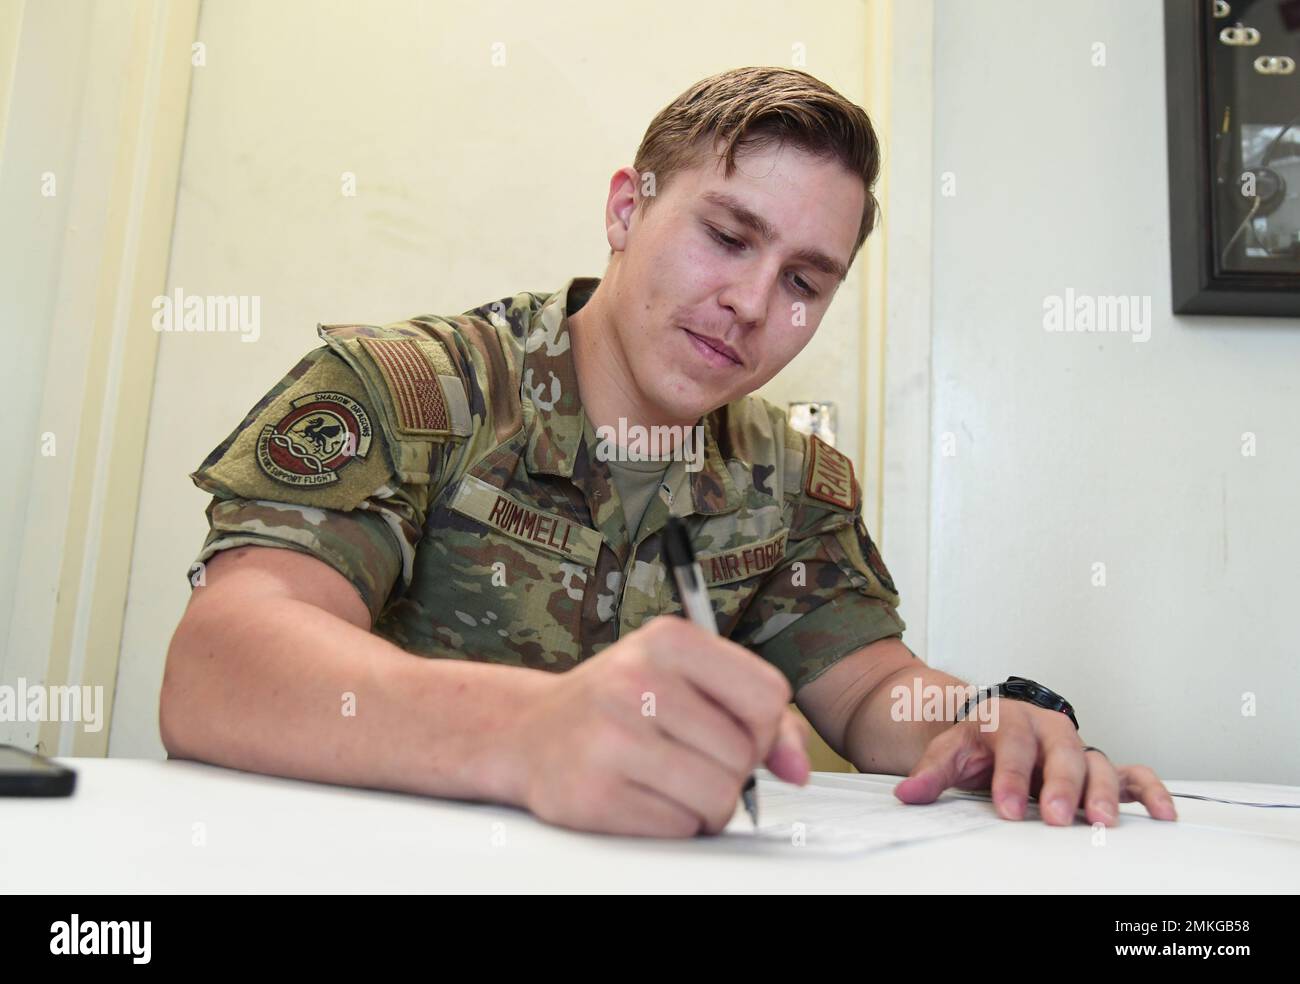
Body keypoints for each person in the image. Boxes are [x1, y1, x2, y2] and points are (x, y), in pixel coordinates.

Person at [161, 66, 1176, 837]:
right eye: (728, 237)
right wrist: (525, 733)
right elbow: (221, 663)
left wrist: (978, 720)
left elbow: (869, 688)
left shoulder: (789, 477)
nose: (750, 303)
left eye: (803, 283)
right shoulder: (414, 392)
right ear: (624, 208)